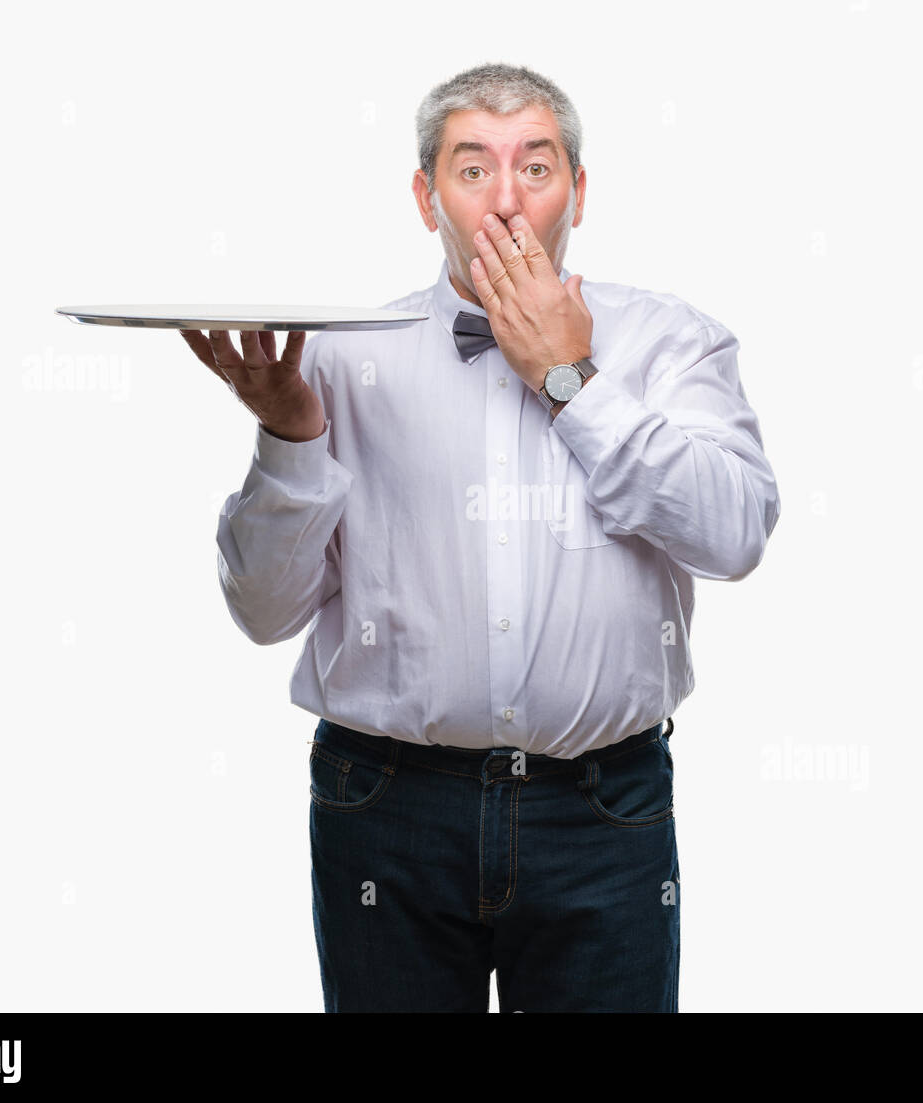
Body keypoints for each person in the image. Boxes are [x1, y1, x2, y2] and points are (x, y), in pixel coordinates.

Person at [178, 62, 780, 1013]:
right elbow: (260, 612)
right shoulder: (340, 353)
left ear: (578, 189)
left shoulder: (673, 344)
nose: (505, 201)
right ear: (426, 198)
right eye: (472, 170)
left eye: (535, 169)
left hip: (604, 813)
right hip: (384, 809)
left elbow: (736, 532)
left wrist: (573, 379)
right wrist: (289, 434)